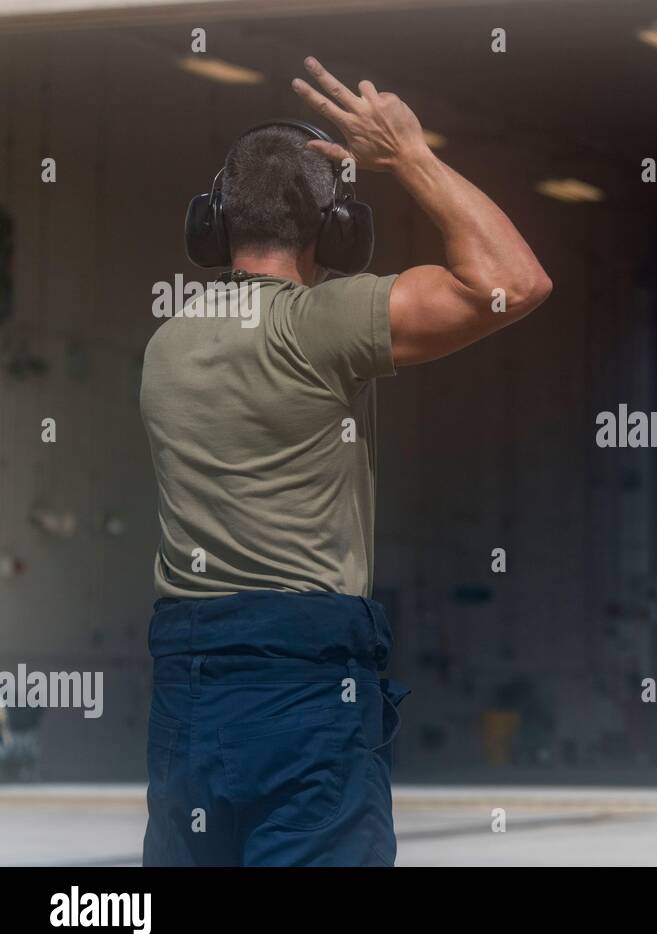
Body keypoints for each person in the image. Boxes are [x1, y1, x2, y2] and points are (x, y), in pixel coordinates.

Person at [138, 56, 551, 865]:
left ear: (213, 224)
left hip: (186, 676)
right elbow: (516, 282)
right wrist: (412, 157)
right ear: (339, 231)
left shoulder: (166, 342)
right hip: (304, 668)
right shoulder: (320, 326)